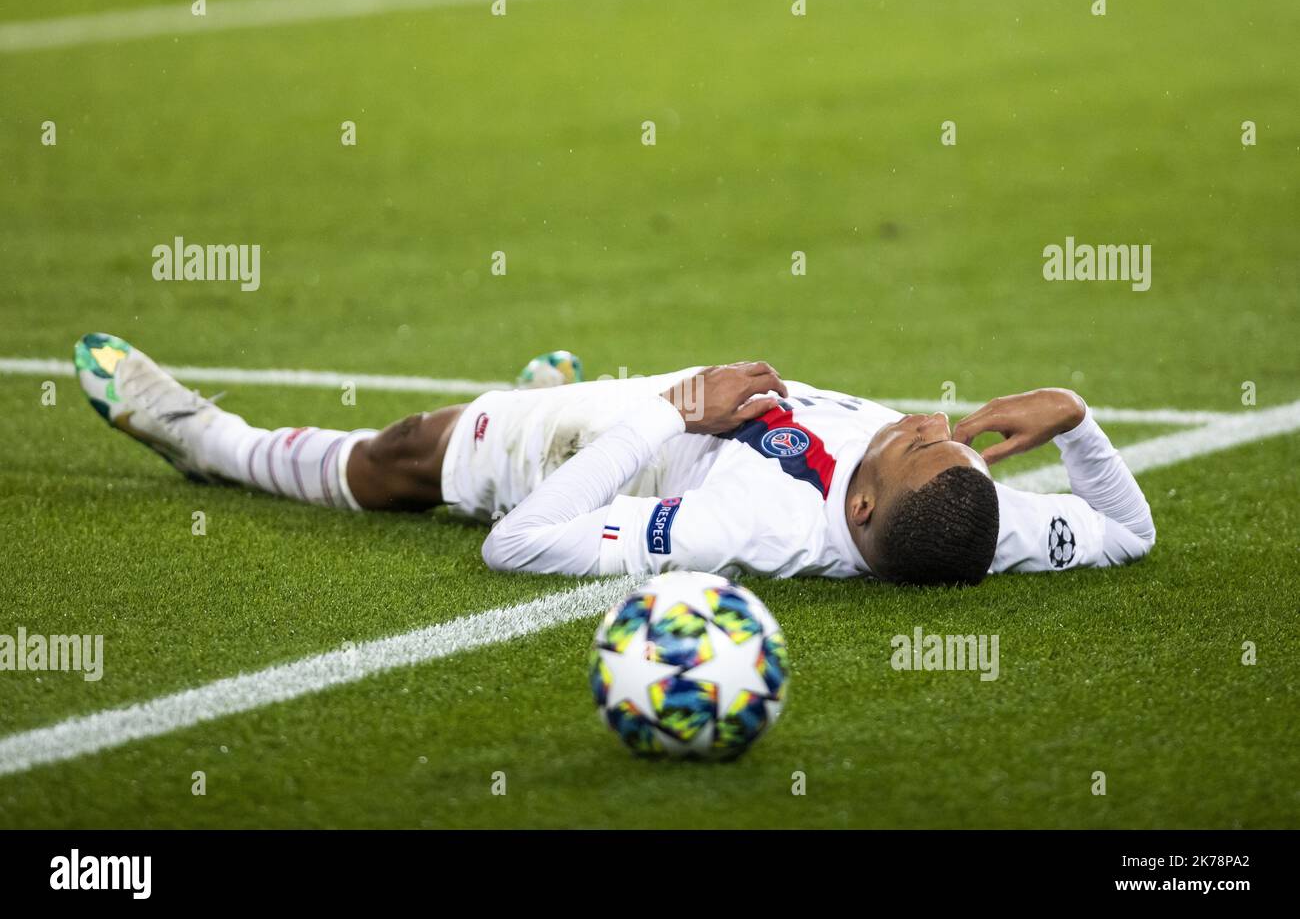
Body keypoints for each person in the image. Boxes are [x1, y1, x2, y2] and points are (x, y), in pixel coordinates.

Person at [73, 332, 1155, 585]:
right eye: (947, 443)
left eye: (918, 444)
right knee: (508, 416)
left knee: (412, 453)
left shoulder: (748, 522)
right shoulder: (979, 518)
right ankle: (538, 404)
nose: (937, 423)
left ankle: (208, 440)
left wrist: (672, 410)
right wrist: (1075, 421)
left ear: (859, 504)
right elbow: (1130, 533)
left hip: (636, 445)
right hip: (654, 421)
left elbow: (518, 544)